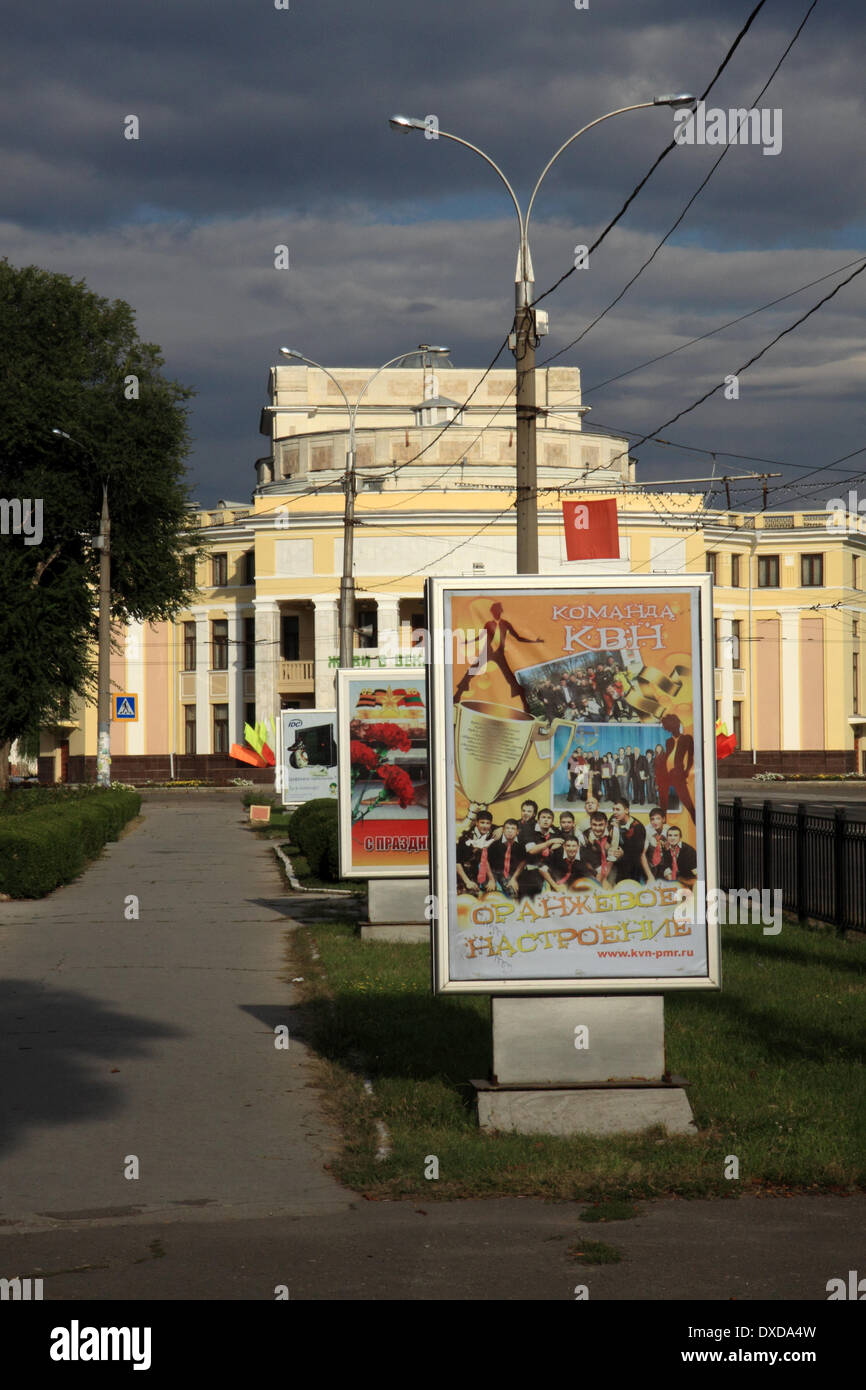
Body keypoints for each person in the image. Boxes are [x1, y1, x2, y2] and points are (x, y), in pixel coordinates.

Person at [454, 601, 543, 705]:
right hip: (487, 652)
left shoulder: (505, 624)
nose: (496, 613)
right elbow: (480, 637)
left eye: (498, 611)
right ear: (492, 612)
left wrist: (534, 641)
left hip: (499, 654)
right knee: (469, 673)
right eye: (495, 611)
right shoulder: (488, 624)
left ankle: (525, 704)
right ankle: (457, 696)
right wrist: (467, 641)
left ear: (500, 612)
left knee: (511, 679)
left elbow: (518, 638)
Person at [661, 714, 696, 824]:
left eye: (674, 726)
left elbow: (690, 757)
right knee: (664, 801)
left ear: (677, 725)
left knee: (686, 800)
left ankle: (697, 822)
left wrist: (686, 771)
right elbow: (668, 757)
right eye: (670, 727)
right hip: (667, 774)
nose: (672, 729)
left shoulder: (687, 738)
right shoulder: (668, 741)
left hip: (678, 773)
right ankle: (663, 823)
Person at [608, 799, 650, 885]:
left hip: (633, 866)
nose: (615, 812)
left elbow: (638, 852)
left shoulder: (638, 827)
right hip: (616, 863)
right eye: (613, 809)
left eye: (618, 809)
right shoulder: (613, 820)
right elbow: (610, 840)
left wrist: (623, 854)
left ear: (626, 810)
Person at [456, 810, 498, 896]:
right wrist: (467, 882)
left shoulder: (489, 832)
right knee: (471, 895)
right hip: (463, 874)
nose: (485, 826)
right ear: (476, 823)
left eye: (488, 823)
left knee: (493, 893)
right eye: (482, 823)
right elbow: (457, 862)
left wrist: (491, 879)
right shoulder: (466, 838)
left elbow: (484, 858)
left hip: (479, 871)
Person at [487, 818, 525, 897]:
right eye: (507, 828)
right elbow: (485, 860)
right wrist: (491, 879)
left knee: (513, 891)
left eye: (513, 829)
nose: (510, 831)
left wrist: (514, 879)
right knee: (492, 892)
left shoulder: (521, 843)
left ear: (517, 832)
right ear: (503, 830)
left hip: (507, 873)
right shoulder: (495, 841)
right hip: (491, 870)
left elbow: (523, 861)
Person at [579, 811, 614, 883]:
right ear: (590, 824)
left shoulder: (613, 833)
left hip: (610, 867)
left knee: (610, 887)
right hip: (592, 868)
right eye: (594, 825)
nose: (597, 828)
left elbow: (613, 856)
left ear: (606, 824)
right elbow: (584, 860)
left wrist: (604, 877)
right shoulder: (584, 836)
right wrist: (596, 874)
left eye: (601, 825)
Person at [645, 806, 668, 878]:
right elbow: (642, 854)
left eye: (658, 819)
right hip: (650, 864)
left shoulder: (668, 830)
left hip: (664, 864)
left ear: (663, 819)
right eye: (652, 819)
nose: (655, 822)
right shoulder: (646, 830)